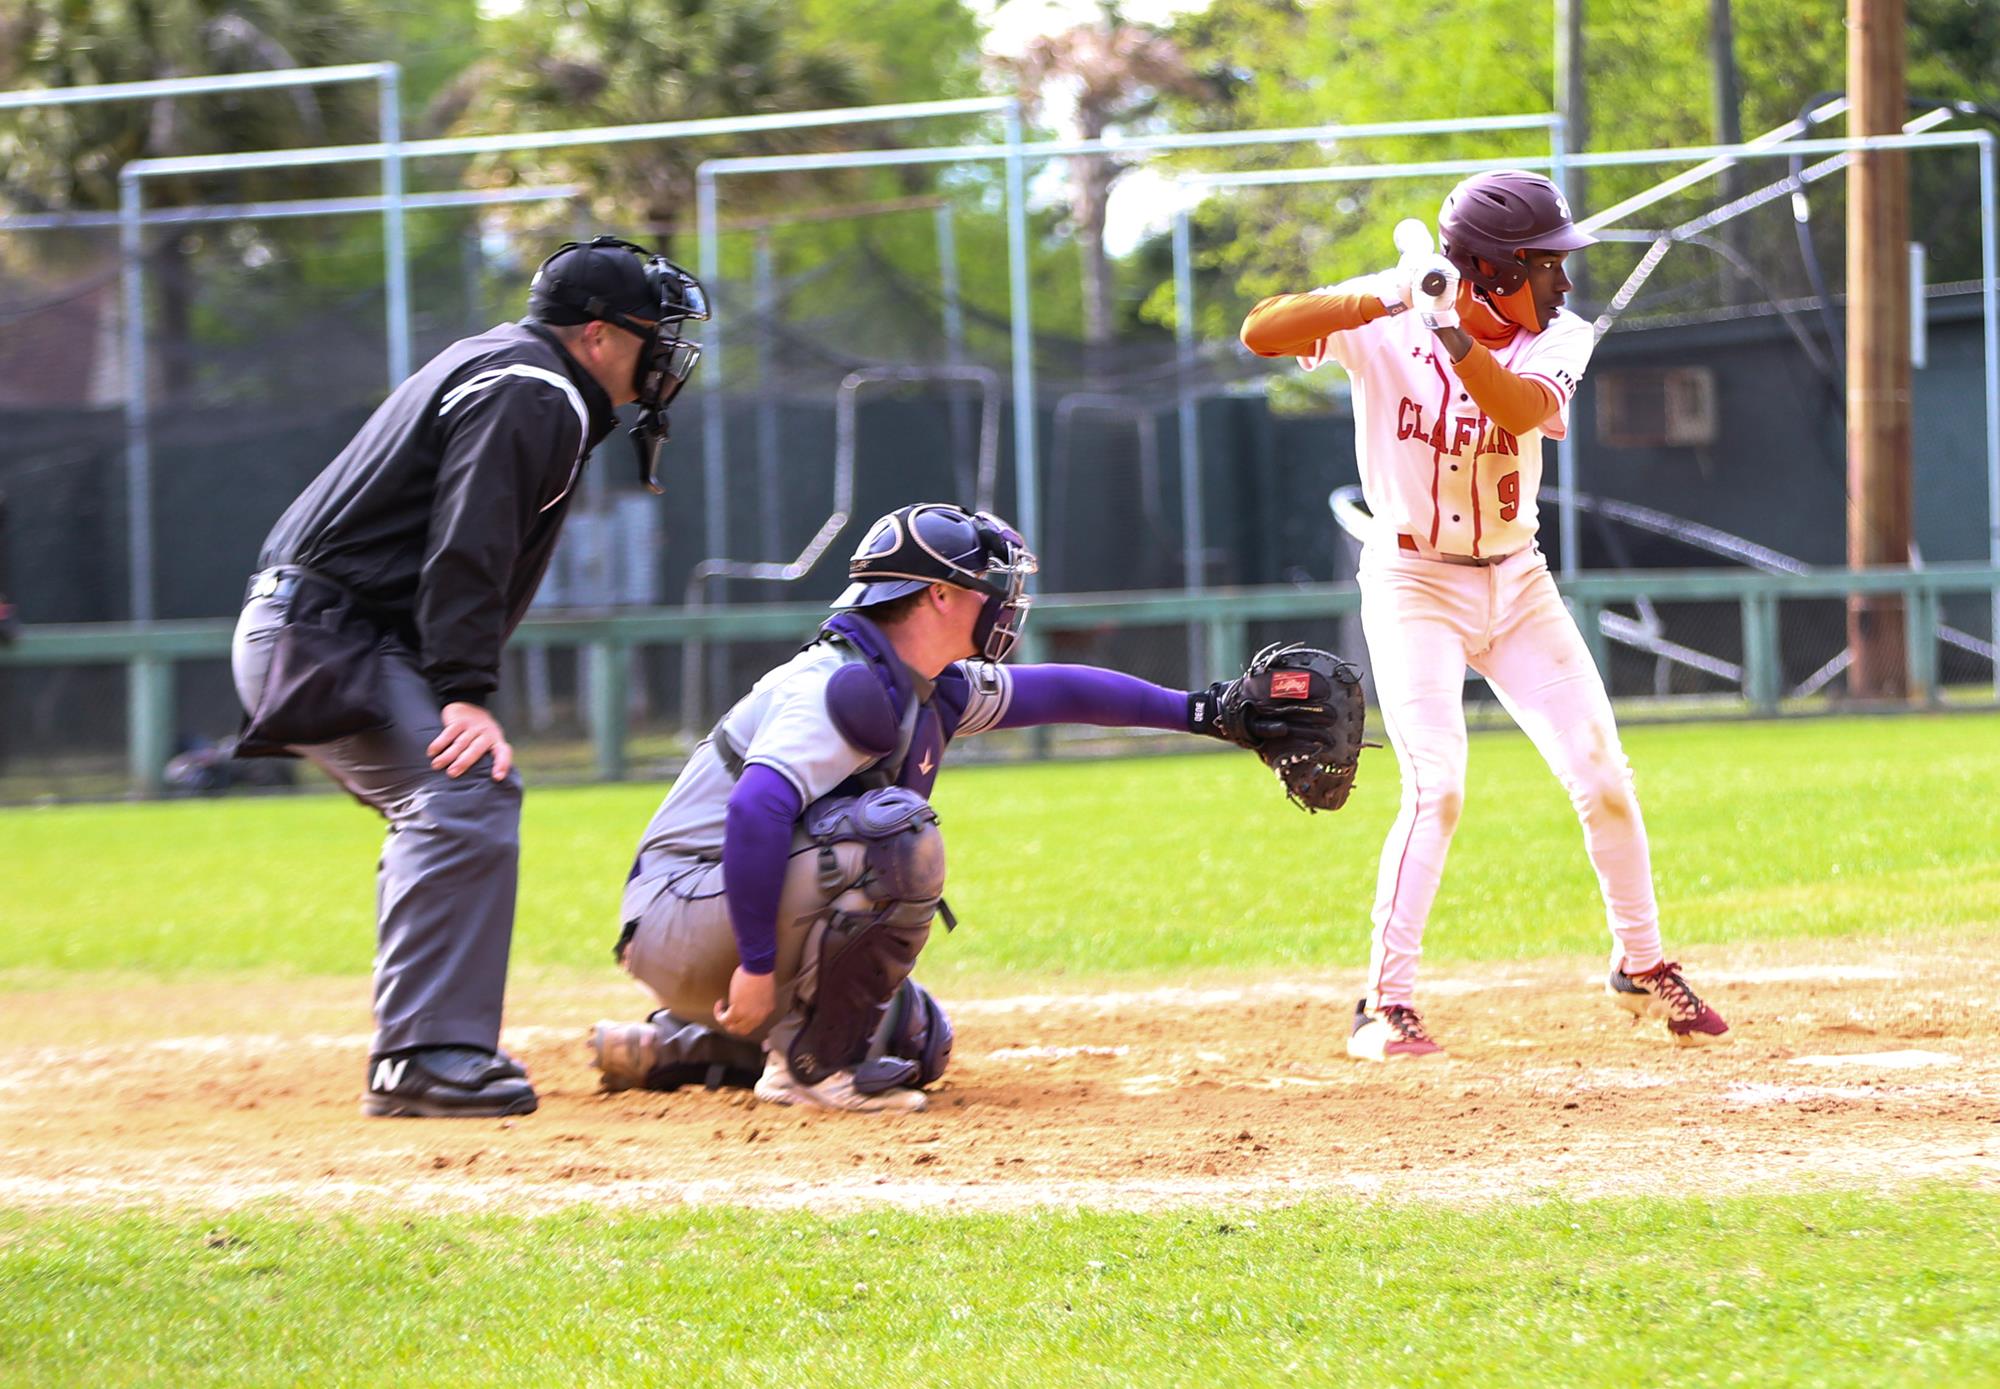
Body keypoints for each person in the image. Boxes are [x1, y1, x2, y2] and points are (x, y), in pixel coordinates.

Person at [591, 501, 1314, 1112]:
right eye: (984, 585)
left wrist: (1205, 711)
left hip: (718, 912)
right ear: (937, 594)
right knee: (894, 841)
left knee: (915, 1039)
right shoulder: (843, 684)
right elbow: (755, 810)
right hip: (684, 910)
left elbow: (1062, 690)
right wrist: (753, 963)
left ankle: (674, 1046)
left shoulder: (922, 680)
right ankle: (809, 1071)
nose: (1001, 600)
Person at [1239, 170, 1729, 1061]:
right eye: (1547, 265)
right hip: (1412, 580)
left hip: (1518, 580)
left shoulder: (1562, 337)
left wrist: (1453, 335)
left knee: (1604, 776)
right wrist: (1385, 294)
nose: (1565, 282)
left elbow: (1520, 407)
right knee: (1440, 782)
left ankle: (1642, 963)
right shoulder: (1390, 319)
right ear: (1497, 269)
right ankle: (1382, 1006)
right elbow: (1260, 331)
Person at [230, 236, 708, 1117]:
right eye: (651, 331)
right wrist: (463, 692)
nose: (665, 350)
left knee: (447, 804)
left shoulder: (499, 362)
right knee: (462, 792)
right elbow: (470, 539)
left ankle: (426, 1039)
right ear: (599, 335)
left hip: (323, 626)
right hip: (329, 635)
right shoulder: (535, 388)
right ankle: (422, 1057)